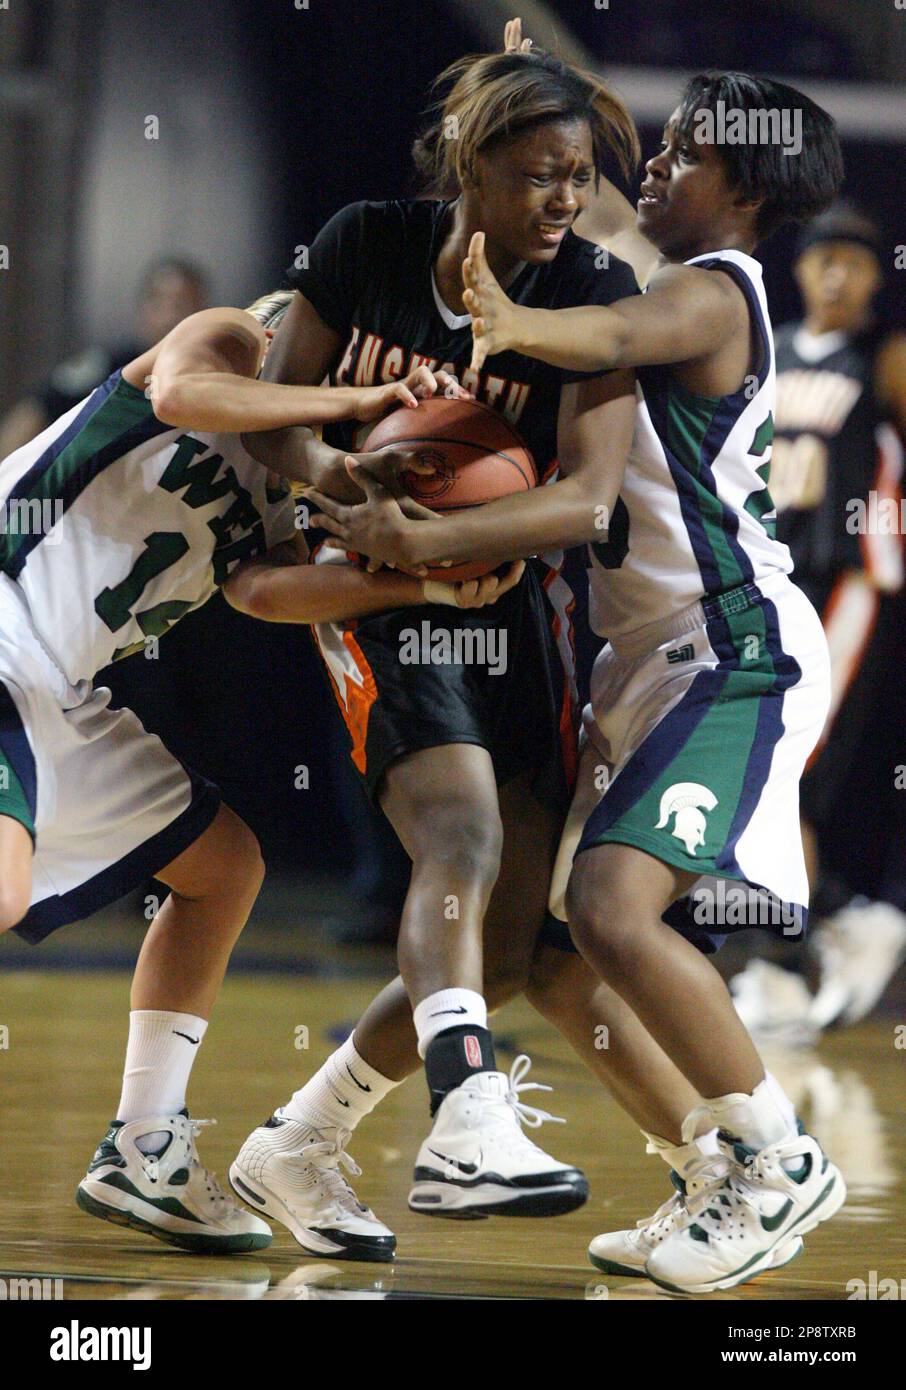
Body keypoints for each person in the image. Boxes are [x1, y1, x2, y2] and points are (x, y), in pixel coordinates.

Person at [315, 60, 850, 1293]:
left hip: (731, 646)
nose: (649, 168)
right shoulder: (679, 270)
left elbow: (605, 326)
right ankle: (717, 1168)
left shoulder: (716, 295)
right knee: (568, 938)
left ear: (749, 187)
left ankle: (776, 1161)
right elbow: (574, 214)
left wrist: (502, 322)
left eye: (682, 152)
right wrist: (507, 102)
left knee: (612, 909)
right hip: (645, 660)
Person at [230, 45, 651, 1250]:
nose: (564, 198)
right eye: (540, 174)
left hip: (513, 602)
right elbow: (274, 411)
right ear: (472, 164)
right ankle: (466, 1120)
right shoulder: (365, 239)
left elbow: (583, 501)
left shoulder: (593, 286)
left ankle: (297, 1146)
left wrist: (427, 533)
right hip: (365, 589)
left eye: (577, 176)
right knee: (455, 834)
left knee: (509, 932)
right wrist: (337, 476)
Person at [0, 287, 513, 1255]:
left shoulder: (289, 477)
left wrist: (426, 581)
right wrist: (346, 409)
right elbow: (188, 397)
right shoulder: (232, 334)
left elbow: (261, 590)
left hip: (57, 687)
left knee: (221, 867)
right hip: (3, 623)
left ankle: (143, 1146)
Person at [730, 203, 906, 1040]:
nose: (838, 274)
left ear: (878, 277)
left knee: (785, 759)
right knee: (755, 757)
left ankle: (791, 947)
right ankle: (823, 925)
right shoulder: (768, 354)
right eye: (824, 258)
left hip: (851, 578)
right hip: (773, 575)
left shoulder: (888, 358)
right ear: (798, 270)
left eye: (857, 262)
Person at [0, 257, 210, 461]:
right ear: (142, 308)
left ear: (202, 312)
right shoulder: (109, 365)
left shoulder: (213, 381)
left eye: (181, 303)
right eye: (158, 301)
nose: (169, 316)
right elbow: (34, 413)